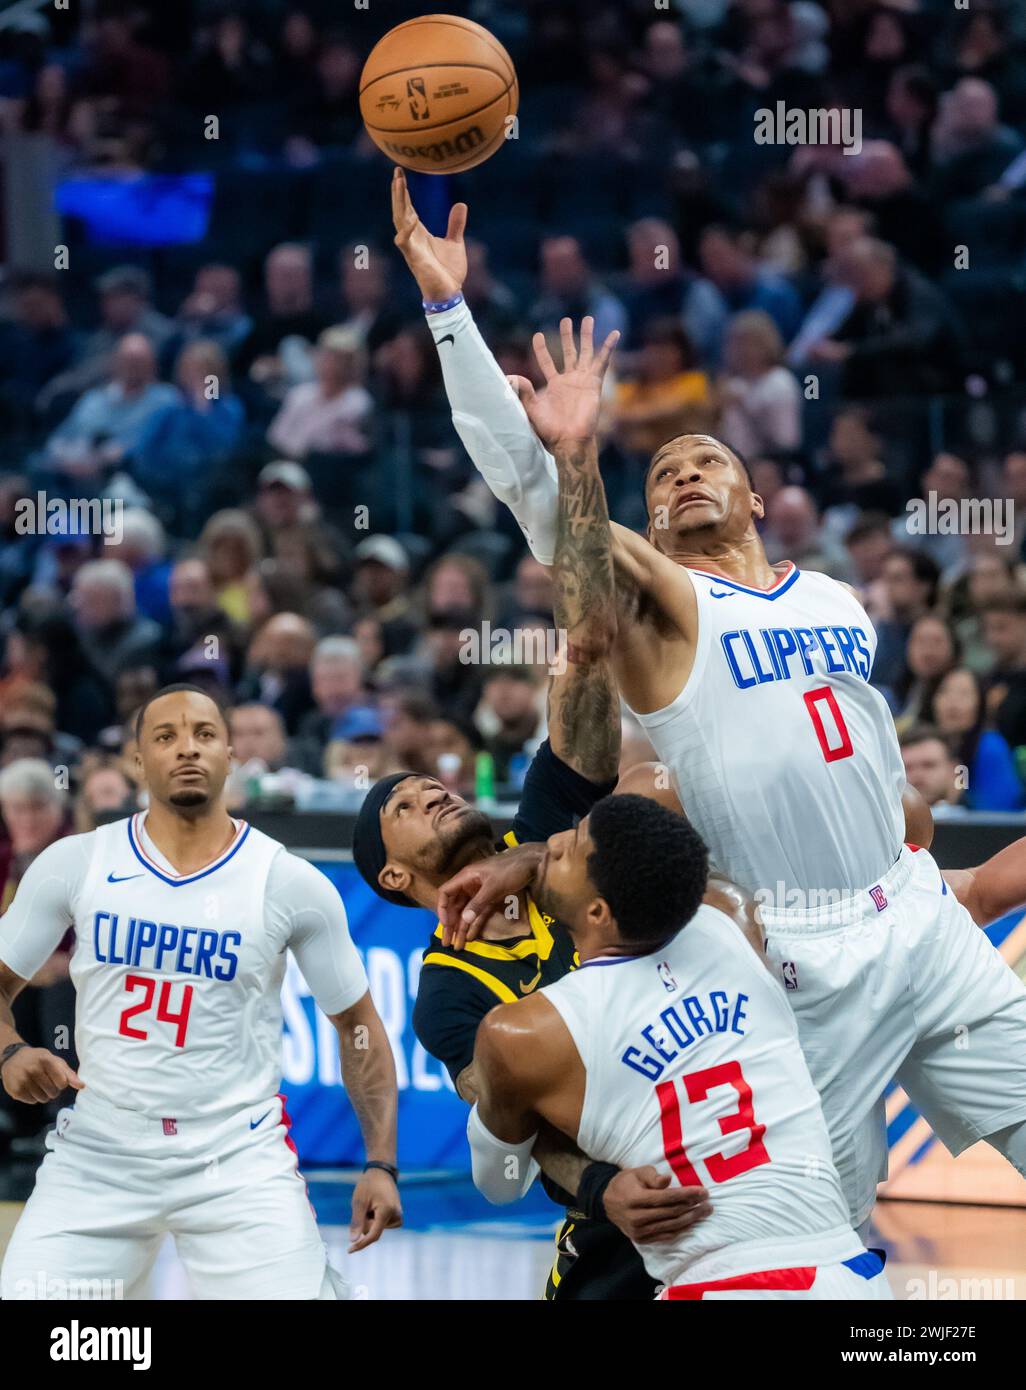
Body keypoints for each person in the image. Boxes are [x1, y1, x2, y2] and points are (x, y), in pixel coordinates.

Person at [387, 173, 1026, 1236]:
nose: (684, 473)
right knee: (804, 1229)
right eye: (666, 470)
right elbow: (546, 513)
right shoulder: (666, 606)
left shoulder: (833, 591)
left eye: (707, 460)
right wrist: (459, 323)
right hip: (798, 957)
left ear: (760, 497)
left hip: (914, 914)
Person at [351, 318, 706, 1300]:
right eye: (411, 807)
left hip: (724, 1140)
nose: (436, 792)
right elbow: (523, 1135)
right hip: (615, 1215)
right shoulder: (448, 996)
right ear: (393, 874)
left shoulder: (544, 826)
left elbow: (589, 646)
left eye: (433, 783)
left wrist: (575, 460)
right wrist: (601, 1187)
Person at [0, 684, 401, 1300]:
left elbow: (359, 1026)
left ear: (231, 756)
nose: (187, 748)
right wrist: (9, 1052)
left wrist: (380, 1162)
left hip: (236, 1153)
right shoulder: (76, 862)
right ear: (138, 762)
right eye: (166, 736)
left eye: (204, 734)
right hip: (104, 1146)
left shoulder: (287, 881)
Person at [467, 793, 889, 1301]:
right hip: (845, 1272)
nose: (550, 844)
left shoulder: (522, 1032)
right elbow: (680, 858)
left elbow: (500, 1183)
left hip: (723, 1284)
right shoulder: (732, 919)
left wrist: (519, 1109)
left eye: (565, 850)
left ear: (598, 911)